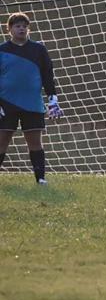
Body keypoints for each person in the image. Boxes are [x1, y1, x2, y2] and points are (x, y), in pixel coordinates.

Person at [0, 12, 62, 186]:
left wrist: (53, 99)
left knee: (35, 141)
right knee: (2, 140)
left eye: (24, 26)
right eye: (17, 26)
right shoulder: (2, 50)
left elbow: (47, 75)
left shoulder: (39, 50)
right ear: (9, 29)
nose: (21, 28)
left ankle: (41, 179)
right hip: (6, 104)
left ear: (28, 28)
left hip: (32, 103)